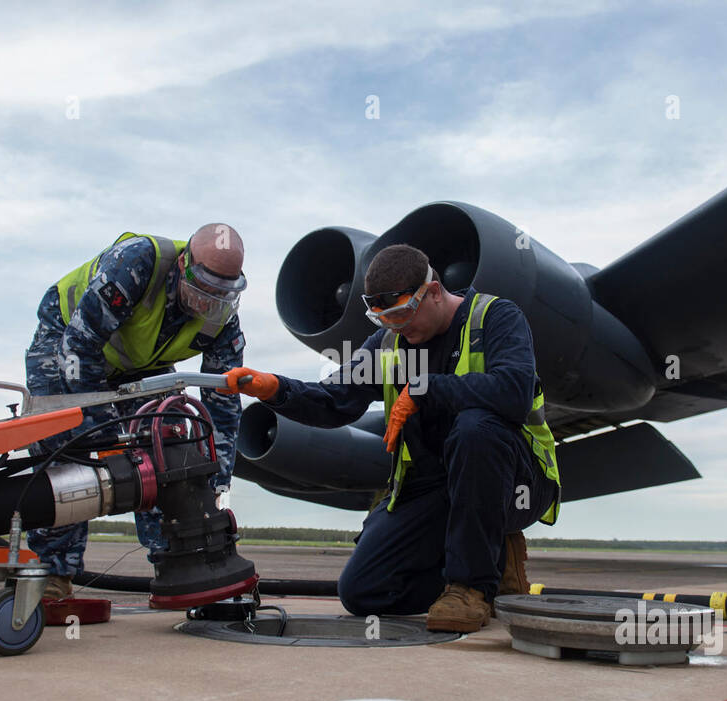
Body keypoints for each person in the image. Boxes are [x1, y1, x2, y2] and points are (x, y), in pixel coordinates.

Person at [220, 243, 559, 632]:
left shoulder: (494, 318)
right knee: (364, 592)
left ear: (432, 292)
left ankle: (470, 587)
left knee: (474, 428)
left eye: (401, 315)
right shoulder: (388, 344)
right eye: (384, 319)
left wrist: (422, 389)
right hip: (437, 488)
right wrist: (275, 389)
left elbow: (514, 393)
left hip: (514, 482)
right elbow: (336, 401)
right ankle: (492, 567)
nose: (396, 328)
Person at [25, 224, 248, 598]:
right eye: (202, 290)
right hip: (66, 341)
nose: (209, 303)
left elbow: (223, 401)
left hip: (141, 366)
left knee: (169, 449)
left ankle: (180, 564)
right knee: (66, 453)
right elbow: (78, 350)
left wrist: (218, 476)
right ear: (182, 265)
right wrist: (105, 439)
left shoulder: (223, 318)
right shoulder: (136, 264)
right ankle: (52, 576)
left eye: (221, 295)